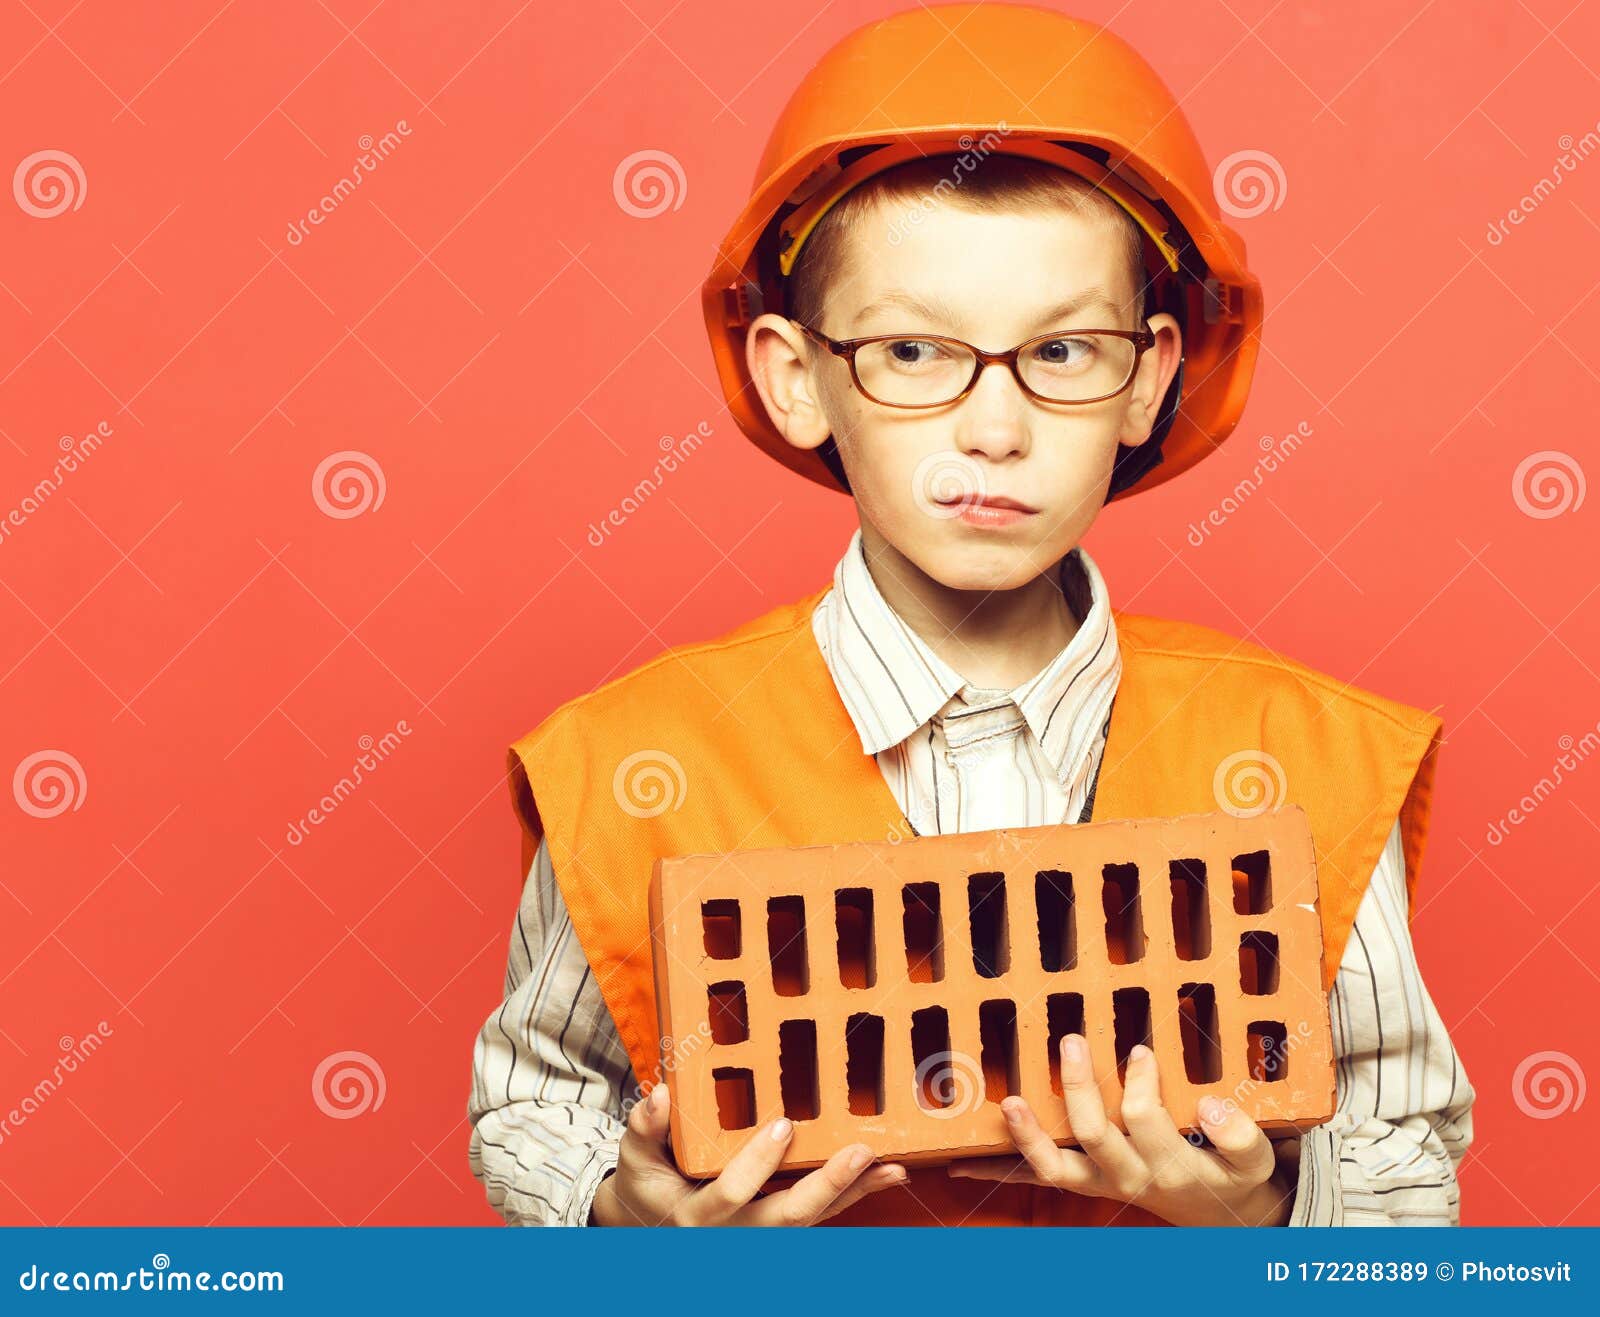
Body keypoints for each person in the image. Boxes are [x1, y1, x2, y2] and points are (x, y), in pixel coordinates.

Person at [468, 2, 1474, 1227]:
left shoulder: (1306, 759)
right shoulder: (630, 761)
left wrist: (1259, 1207)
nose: (993, 429)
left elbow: (1406, 1152)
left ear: (1148, 378)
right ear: (799, 379)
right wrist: (615, 1218)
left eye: (1061, 354)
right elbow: (536, 1100)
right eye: (910, 353)